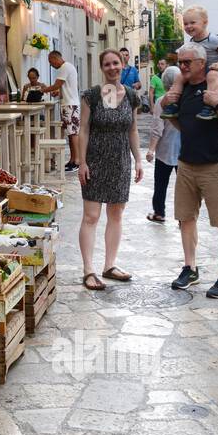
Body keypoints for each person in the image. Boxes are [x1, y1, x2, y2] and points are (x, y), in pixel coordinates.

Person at [162, 43, 218, 297]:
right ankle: (190, 268)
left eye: (187, 63)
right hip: (186, 164)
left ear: (201, 63)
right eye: (180, 62)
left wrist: (217, 105)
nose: (182, 67)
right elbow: (178, 121)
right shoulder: (183, 88)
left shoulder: (217, 86)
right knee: (185, 218)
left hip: (215, 164)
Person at [77, 48, 143, 290]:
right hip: (94, 160)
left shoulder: (132, 96)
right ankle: (88, 270)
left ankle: (109, 265)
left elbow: (133, 129)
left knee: (116, 215)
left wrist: (137, 159)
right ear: (102, 68)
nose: (113, 67)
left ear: (123, 64)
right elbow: (83, 129)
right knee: (91, 216)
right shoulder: (91, 95)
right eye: (107, 64)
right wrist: (82, 162)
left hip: (120, 161)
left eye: (116, 63)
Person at [161, 5, 218, 121]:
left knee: (212, 75)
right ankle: (173, 103)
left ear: (204, 23)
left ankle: (210, 106)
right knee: (180, 76)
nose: (188, 26)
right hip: (203, 70)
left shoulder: (213, 39)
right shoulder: (192, 42)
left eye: (192, 22)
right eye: (185, 24)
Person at [146, 65, 181, 222]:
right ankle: (184, 218)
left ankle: (159, 212)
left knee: (161, 184)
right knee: (185, 187)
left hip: (165, 150)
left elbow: (157, 128)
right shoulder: (187, 99)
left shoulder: (162, 101)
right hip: (185, 151)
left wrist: (151, 150)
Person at [46, 49, 80, 170]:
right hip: (68, 104)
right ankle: (72, 159)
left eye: (51, 61)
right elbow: (64, 88)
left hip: (70, 105)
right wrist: (58, 93)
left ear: (56, 58)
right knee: (70, 134)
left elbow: (57, 84)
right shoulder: (67, 67)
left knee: (73, 133)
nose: (51, 65)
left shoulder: (64, 67)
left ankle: (76, 161)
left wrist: (42, 90)